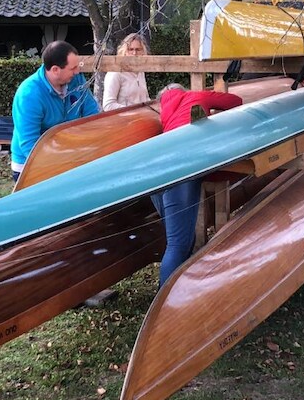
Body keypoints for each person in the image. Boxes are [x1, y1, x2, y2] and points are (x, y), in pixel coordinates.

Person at [151, 83, 243, 286]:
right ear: (182, 90)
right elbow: (235, 101)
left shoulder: (166, 113)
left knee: (182, 239)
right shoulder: (195, 95)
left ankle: (180, 290)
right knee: (178, 244)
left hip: (156, 172)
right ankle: (165, 305)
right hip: (182, 168)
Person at [10, 40, 100, 181]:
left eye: (78, 66)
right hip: (30, 166)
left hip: (69, 159)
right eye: (72, 68)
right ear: (55, 70)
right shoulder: (29, 94)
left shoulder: (77, 80)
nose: (77, 71)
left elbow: (93, 116)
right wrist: (59, 166)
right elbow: (29, 144)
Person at [102, 33, 151, 111]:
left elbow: (145, 98)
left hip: (141, 119)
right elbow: (108, 105)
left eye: (138, 49)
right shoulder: (115, 72)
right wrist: (134, 110)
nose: (134, 53)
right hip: (123, 120)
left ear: (143, 52)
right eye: (130, 49)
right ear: (124, 51)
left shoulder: (140, 71)